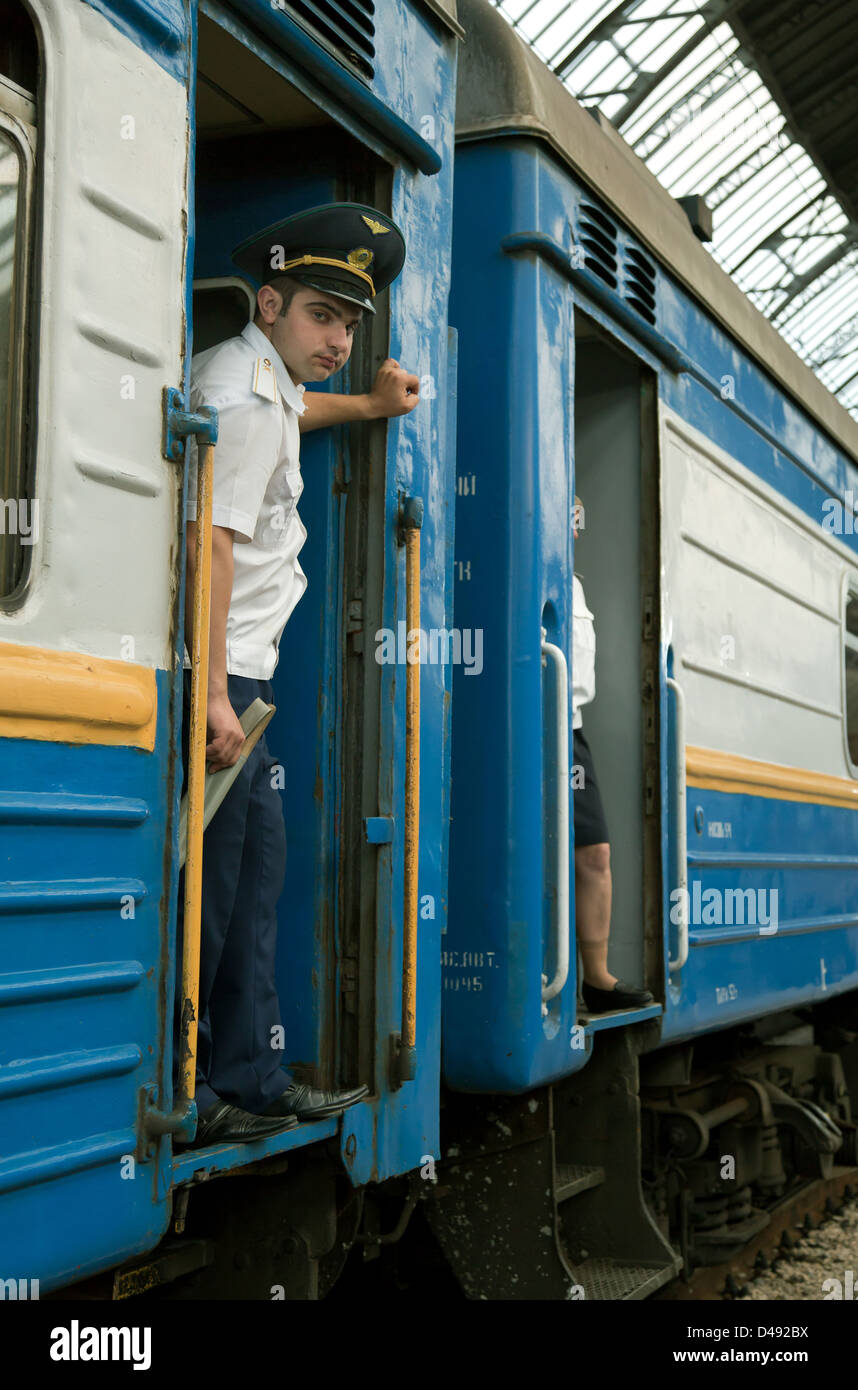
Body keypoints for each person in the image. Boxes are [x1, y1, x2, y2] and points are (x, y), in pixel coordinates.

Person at [178, 203, 419, 1146]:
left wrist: (369, 408)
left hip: (243, 682)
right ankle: (195, 1093)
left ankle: (251, 1076)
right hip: (224, 681)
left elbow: (299, 411)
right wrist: (211, 695)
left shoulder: (262, 385)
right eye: (323, 315)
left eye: (350, 324)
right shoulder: (241, 399)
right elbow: (210, 543)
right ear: (270, 304)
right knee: (211, 897)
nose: (340, 341)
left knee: (249, 883)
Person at [572, 496, 653, 1015]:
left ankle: (596, 979)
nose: (577, 528)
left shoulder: (573, 583)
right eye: (571, 516)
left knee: (594, 853)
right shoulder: (525, 570)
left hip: (570, 731)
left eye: (579, 518)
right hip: (530, 726)